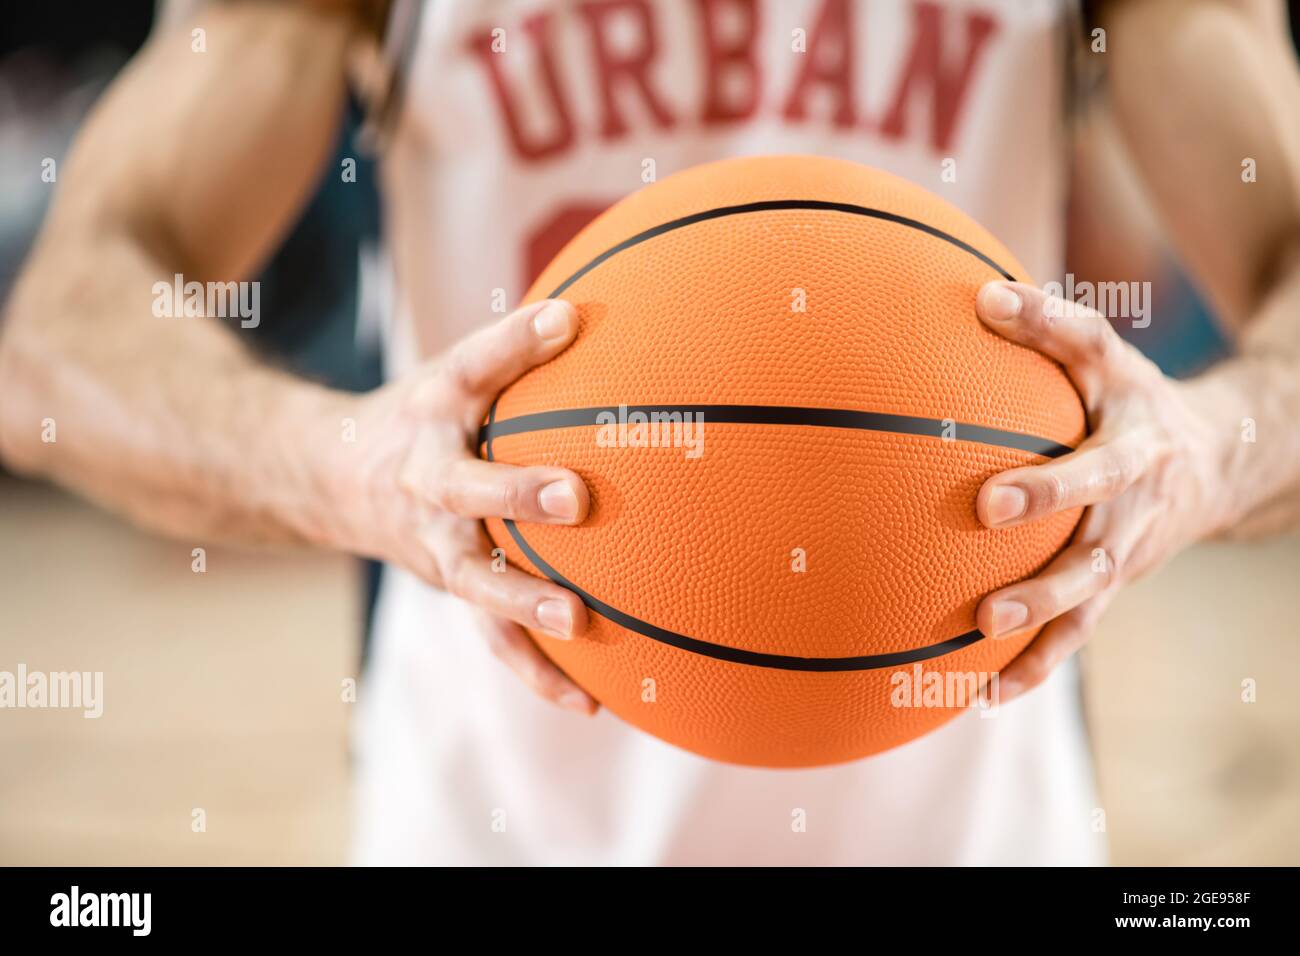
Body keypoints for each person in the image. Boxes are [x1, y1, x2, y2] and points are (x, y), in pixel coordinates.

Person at [3, 0, 1300, 865]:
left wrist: (1211, 445)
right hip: (493, 818)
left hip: (969, 817)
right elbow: (57, 338)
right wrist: (341, 467)